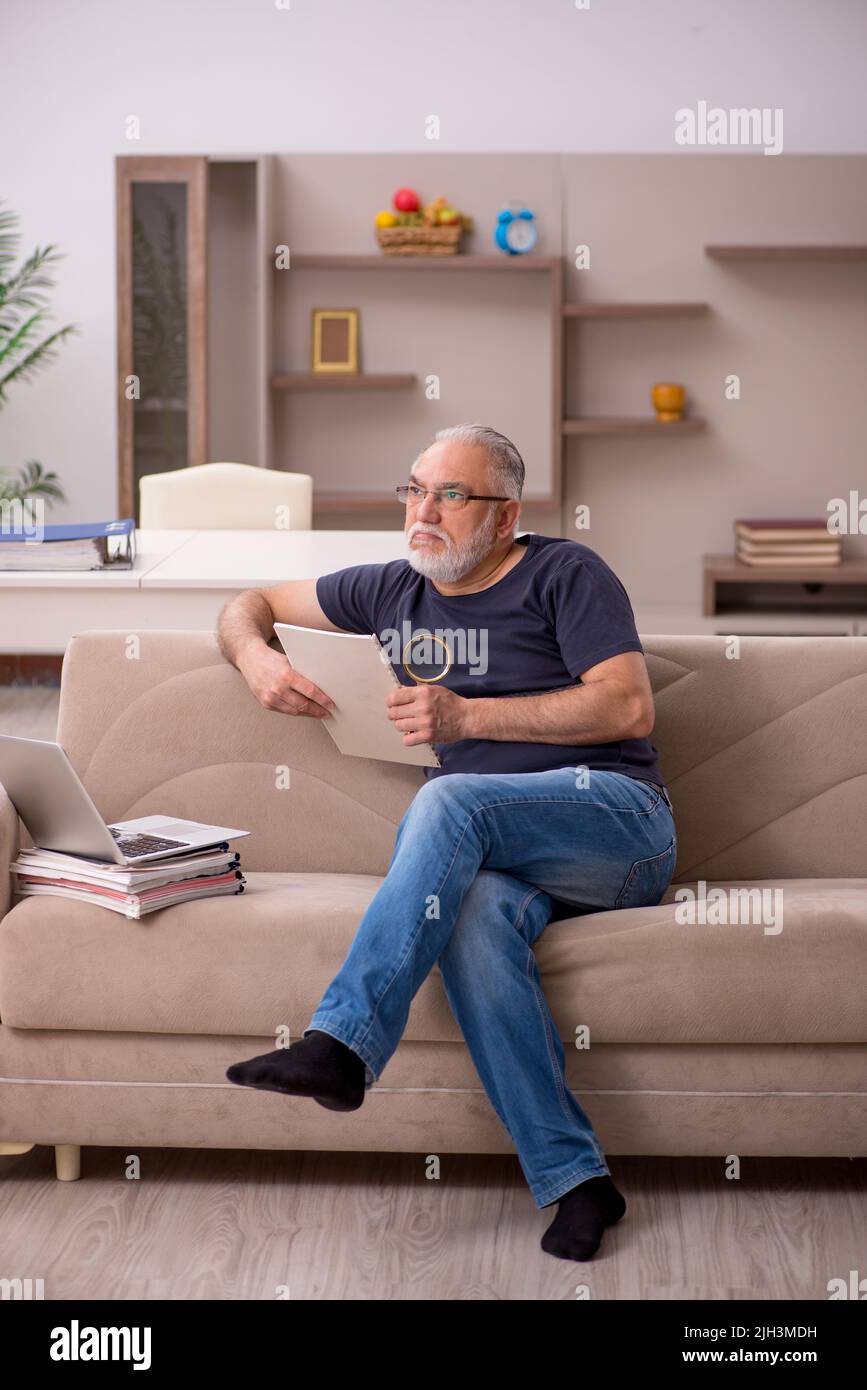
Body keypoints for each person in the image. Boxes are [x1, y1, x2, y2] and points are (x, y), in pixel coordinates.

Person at [216, 423, 677, 1263]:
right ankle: (578, 1183)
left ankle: (342, 1045)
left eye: (451, 496)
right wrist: (255, 660)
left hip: (615, 827)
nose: (423, 511)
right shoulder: (391, 589)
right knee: (461, 918)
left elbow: (627, 707)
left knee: (450, 798)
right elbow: (249, 604)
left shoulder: (564, 573)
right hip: (498, 857)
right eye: (415, 490)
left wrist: (466, 717)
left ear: (505, 518)